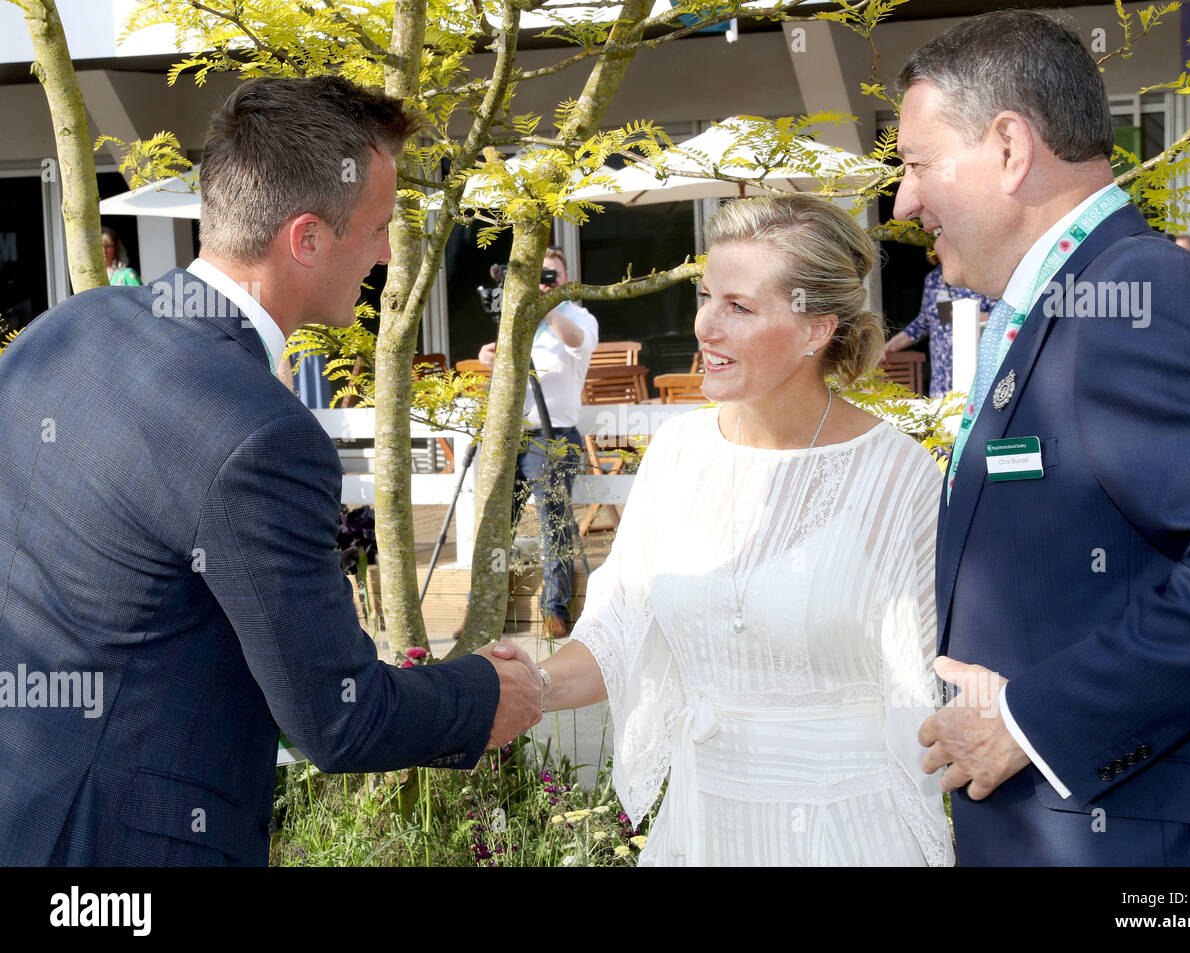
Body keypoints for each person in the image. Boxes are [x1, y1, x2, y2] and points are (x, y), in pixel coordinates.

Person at [0, 75, 541, 866]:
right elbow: (340, 717)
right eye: (380, 228)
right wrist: (487, 695)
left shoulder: (64, 330)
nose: (389, 254)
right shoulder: (259, 432)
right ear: (307, 238)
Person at [893, 9, 1190, 865]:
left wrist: (1027, 721)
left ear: (1008, 148)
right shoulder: (1065, 298)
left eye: (917, 165)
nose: (905, 201)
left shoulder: (1141, 295)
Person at [495, 194, 954, 866]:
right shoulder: (678, 456)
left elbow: (932, 685)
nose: (705, 324)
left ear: (814, 329)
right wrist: (515, 691)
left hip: (852, 834)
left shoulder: (900, 478)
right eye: (706, 295)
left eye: (739, 306)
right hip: (701, 827)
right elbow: (618, 635)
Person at [476, 248, 598, 638]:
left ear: (565, 279)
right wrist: (488, 355)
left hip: (553, 436)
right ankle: (482, 609)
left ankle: (555, 609)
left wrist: (543, 303)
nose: (545, 279)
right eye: (538, 274)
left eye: (552, 274)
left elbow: (576, 341)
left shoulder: (577, 317)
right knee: (497, 525)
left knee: (554, 524)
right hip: (508, 434)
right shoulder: (513, 320)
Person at [883, 249, 996, 396]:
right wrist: (889, 347)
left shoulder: (979, 274)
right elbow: (922, 323)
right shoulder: (933, 279)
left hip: (975, 374)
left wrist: (968, 315)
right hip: (941, 379)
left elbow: (1001, 317)